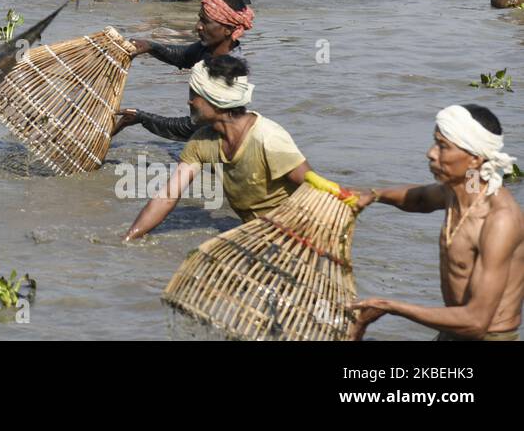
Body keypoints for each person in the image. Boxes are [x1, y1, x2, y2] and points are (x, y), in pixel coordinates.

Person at [350, 104, 523, 341]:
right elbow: (420, 199)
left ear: (474, 158)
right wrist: (375, 194)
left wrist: (390, 306)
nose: (431, 153)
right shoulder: (465, 187)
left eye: (442, 147)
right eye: (435, 143)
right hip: (451, 332)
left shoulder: (499, 221)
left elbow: (476, 322)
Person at [123, 56, 312, 239]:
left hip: (295, 230)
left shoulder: (268, 137)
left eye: (194, 95)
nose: (189, 102)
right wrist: (131, 236)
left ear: (214, 99)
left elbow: (314, 190)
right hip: (255, 231)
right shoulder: (201, 141)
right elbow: (167, 196)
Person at [116, 0, 255, 139]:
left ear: (228, 30)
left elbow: (194, 128)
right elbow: (184, 56)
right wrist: (150, 47)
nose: (198, 26)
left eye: (205, 22)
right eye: (199, 19)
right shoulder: (210, 48)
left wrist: (142, 118)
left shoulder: (229, 72)